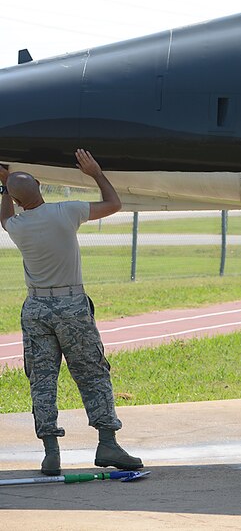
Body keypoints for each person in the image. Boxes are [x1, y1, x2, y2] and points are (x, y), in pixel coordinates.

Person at [0, 150, 142, 476]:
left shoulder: (18, 226)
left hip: (36, 308)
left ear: (17, 201)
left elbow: (4, 219)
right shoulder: (66, 212)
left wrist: (5, 187)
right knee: (92, 373)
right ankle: (107, 443)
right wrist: (96, 173)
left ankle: (51, 453)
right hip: (71, 306)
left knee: (42, 380)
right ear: (39, 185)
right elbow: (113, 204)